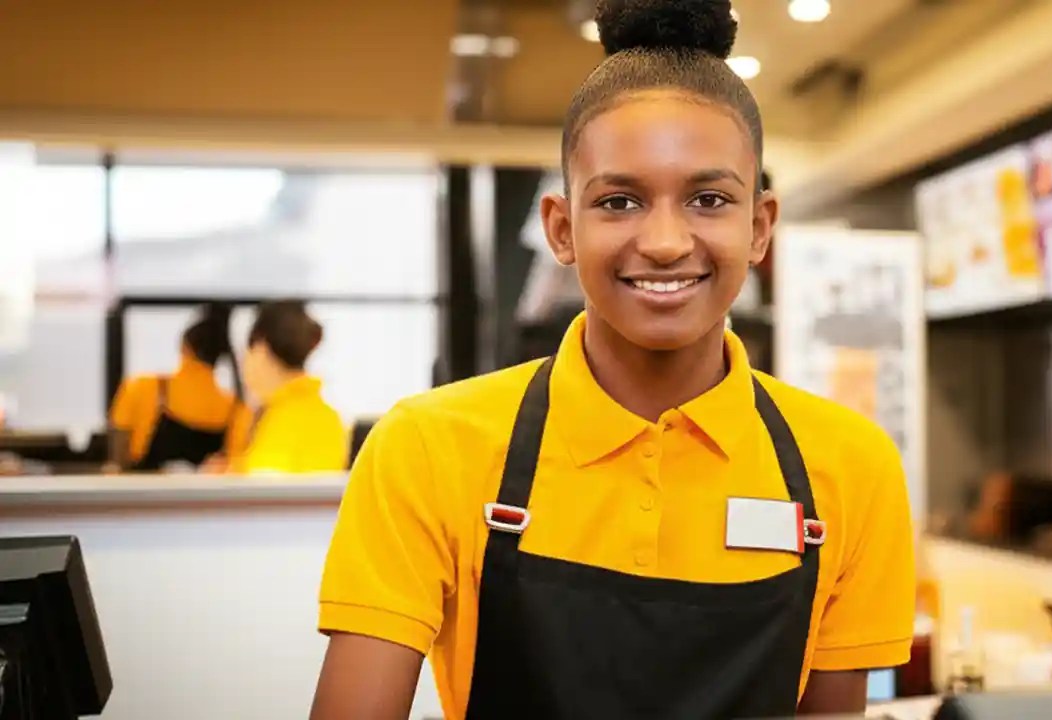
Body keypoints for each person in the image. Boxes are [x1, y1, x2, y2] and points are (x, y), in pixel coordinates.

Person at [310, 1, 915, 718]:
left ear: (760, 227)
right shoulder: (427, 447)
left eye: (709, 199)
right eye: (620, 201)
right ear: (562, 229)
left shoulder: (850, 467)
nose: (664, 241)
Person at [108, 303, 251, 471]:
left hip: (140, 495)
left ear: (184, 345)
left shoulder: (141, 387)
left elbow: (117, 462)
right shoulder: (237, 410)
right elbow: (233, 469)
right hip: (200, 497)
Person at [226, 300, 347, 474]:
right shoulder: (324, 415)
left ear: (261, 349)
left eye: (247, 351)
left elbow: (261, 488)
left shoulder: (281, 420)